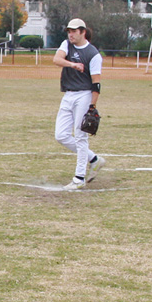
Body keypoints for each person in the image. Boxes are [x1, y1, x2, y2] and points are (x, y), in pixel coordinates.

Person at [53, 18, 105, 190]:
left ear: (83, 32)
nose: (71, 34)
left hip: (84, 95)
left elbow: (96, 83)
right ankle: (94, 160)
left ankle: (79, 178)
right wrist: (72, 64)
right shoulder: (67, 44)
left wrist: (92, 106)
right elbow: (56, 59)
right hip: (68, 94)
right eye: (69, 31)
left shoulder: (93, 54)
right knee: (61, 135)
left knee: (81, 137)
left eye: (74, 31)